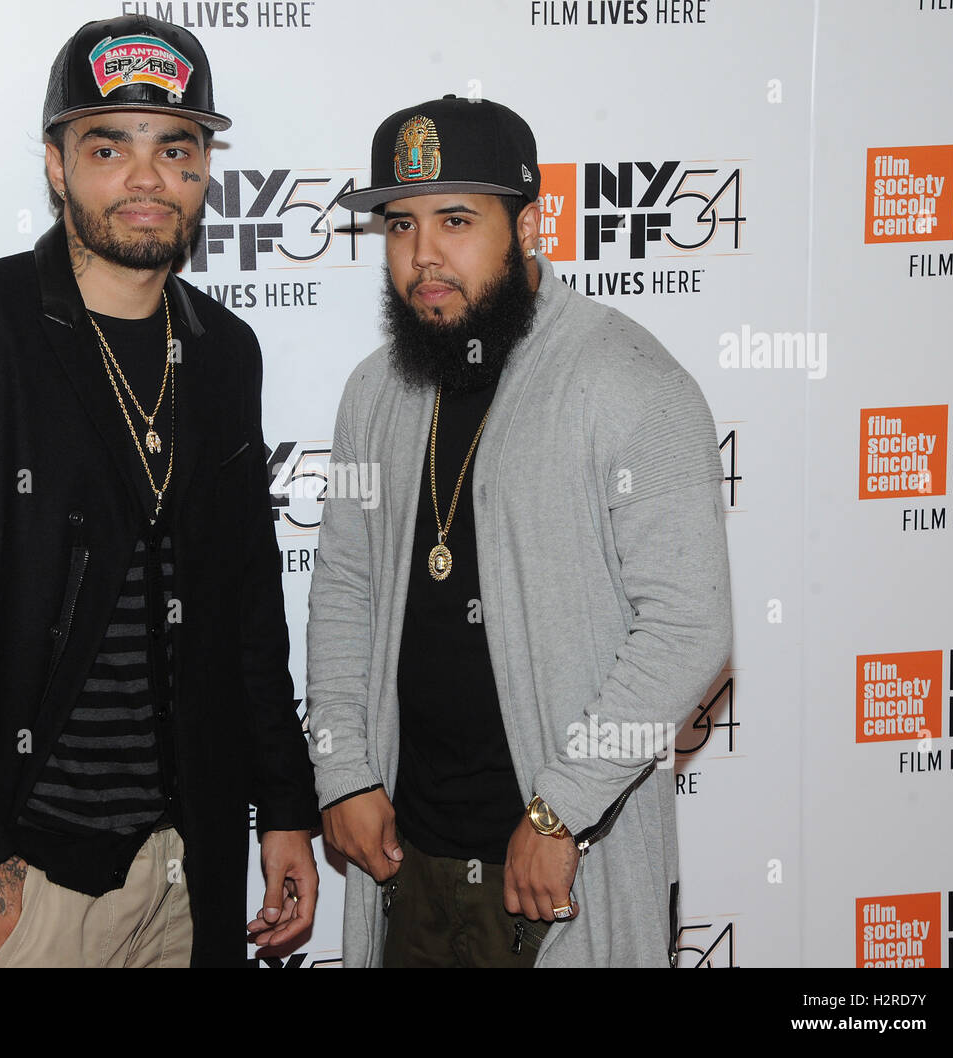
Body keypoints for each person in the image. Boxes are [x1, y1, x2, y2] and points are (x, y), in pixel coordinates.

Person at [0, 14, 318, 968]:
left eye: (175, 147)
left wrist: (288, 810)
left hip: (185, 872)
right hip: (17, 878)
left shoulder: (225, 352)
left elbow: (248, 612)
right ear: (57, 166)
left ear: (205, 169)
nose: (146, 178)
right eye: (109, 145)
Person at [305, 95, 732, 967]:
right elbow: (344, 581)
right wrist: (344, 766)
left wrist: (560, 808)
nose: (423, 256)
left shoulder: (630, 381)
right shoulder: (373, 391)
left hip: (560, 867)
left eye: (456, 220)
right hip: (406, 863)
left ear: (529, 222)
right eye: (400, 225)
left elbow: (690, 628)